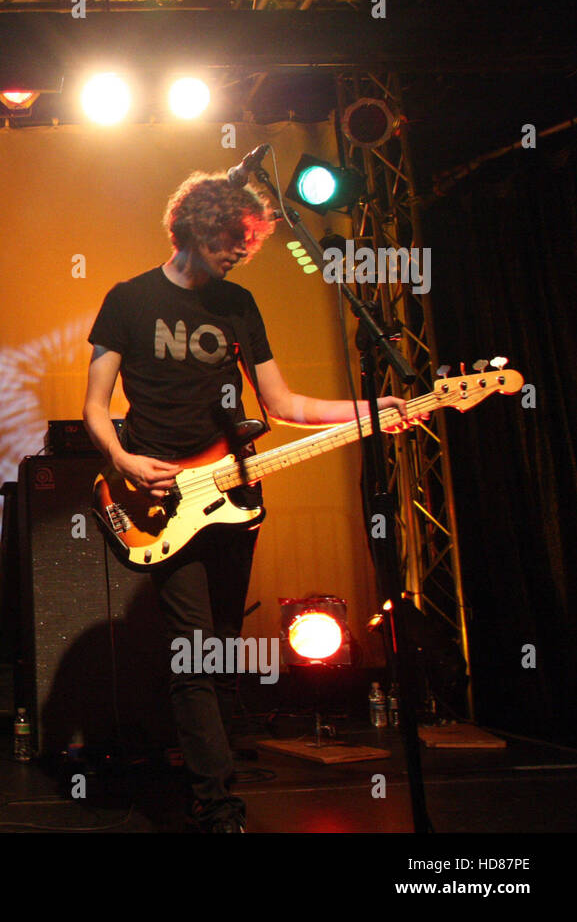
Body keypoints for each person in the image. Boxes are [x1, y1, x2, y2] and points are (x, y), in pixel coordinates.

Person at [82, 171, 421, 833]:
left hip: (235, 498)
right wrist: (121, 458)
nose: (241, 253)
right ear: (195, 229)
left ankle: (196, 759)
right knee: (195, 648)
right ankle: (218, 802)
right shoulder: (127, 300)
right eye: (231, 241)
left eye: (249, 243)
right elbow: (94, 407)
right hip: (163, 498)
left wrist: (373, 410)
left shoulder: (239, 305)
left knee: (221, 649)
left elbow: (284, 405)